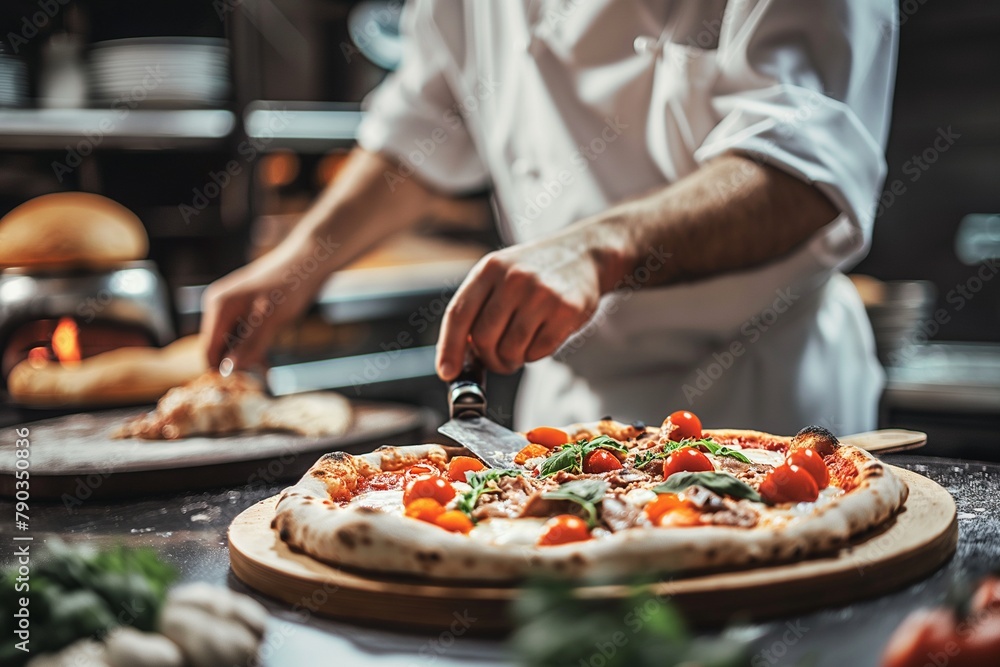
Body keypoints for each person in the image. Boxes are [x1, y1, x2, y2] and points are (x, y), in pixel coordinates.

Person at [202, 0, 897, 435]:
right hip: (565, 409)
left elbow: (800, 173)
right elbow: (426, 128)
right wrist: (297, 264)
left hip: (761, 401)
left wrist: (599, 249)